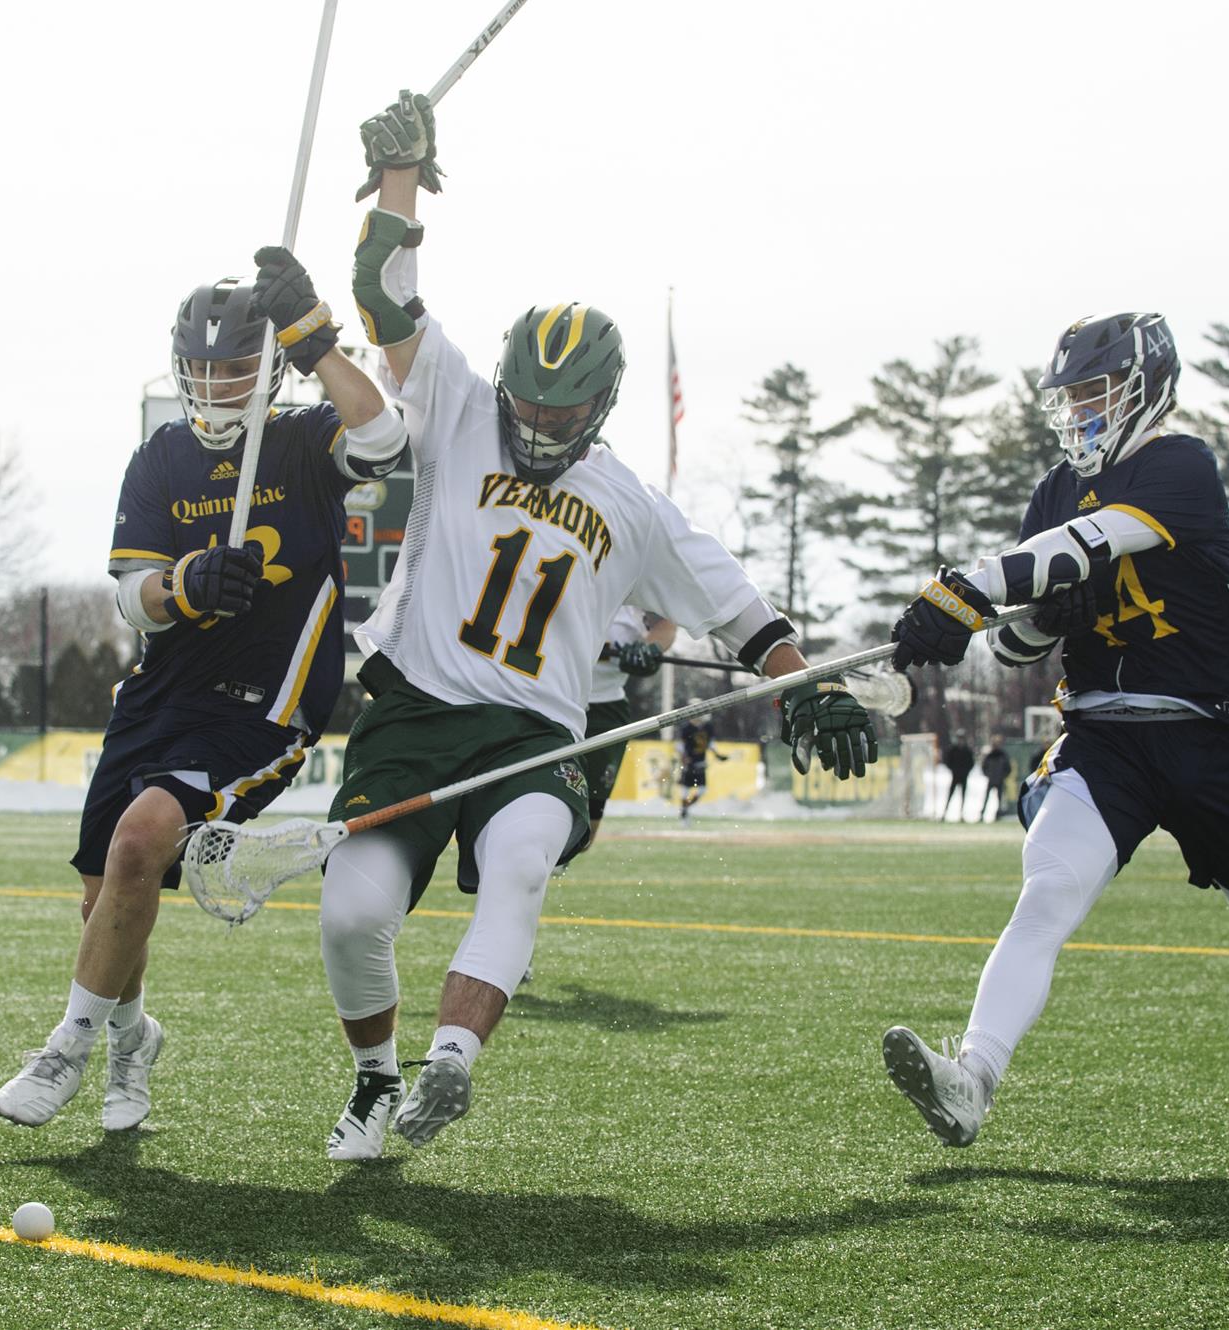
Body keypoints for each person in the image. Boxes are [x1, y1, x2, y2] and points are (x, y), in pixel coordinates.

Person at [318, 91, 878, 1161]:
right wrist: (401, 176)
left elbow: (744, 610)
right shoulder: (457, 405)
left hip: (532, 736)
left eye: (559, 415)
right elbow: (381, 296)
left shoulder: (632, 502)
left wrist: (813, 681)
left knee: (525, 853)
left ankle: (451, 1062)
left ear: (600, 407)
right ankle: (374, 1077)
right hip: (411, 710)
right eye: (526, 404)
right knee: (352, 917)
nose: (533, 426)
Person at [878, 311, 1229, 1149]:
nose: (1078, 411)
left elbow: (1095, 540)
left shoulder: (1182, 465)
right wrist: (1038, 621)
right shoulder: (1053, 490)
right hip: (1105, 735)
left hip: (1213, 733)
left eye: (1094, 391)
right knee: (1047, 893)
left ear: (1146, 387)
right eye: (1069, 396)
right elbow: (1012, 642)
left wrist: (965, 585)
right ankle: (974, 1078)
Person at [0, 252, 407, 1129]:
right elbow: (129, 593)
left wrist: (317, 340)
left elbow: (383, 438)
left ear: (267, 363)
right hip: (158, 696)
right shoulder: (162, 459)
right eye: (205, 365)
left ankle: (67, 1045)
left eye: (237, 363)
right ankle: (132, 1036)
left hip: (260, 701)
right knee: (107, 894)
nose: (218, 381)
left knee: (141, 841)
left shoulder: (302, 438)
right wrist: (181, 585)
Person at [575, 607, 677, 853]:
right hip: (550, 698)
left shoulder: (635, 576)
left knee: (587, 828)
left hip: (606, 707)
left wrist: (651, 647)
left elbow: (667, 622)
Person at [677, 710, 726, 821]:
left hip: (700, 763)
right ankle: (684, 814)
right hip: (689, 764)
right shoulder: (686, 729)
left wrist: (717, 755)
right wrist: (684, 759)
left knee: (702, 790)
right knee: (685, 790)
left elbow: (710, 744)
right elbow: (680, 746)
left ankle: (685, 809)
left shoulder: (707, 728)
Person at [941, 735, 977, 821]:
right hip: (955, 775)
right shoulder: (953, 750)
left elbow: (971, 763)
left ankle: (961, 814)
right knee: (950, 795)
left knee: (963, 796)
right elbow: (947, 760)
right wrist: (953, 769)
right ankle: (944, 813)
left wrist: (966, 771)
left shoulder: (967, 750)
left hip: (964, 776)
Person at [978, 737, 1013, 822]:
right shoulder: (989, 755)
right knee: (986, 798)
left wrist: (1003, 775)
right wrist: (988, 775)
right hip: (991, 780)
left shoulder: (1003, 755)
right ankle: (982, 815)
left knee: (999, 800)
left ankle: (998, 815)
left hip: (1000, 780)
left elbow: (1008, 768)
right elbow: (984, 767)